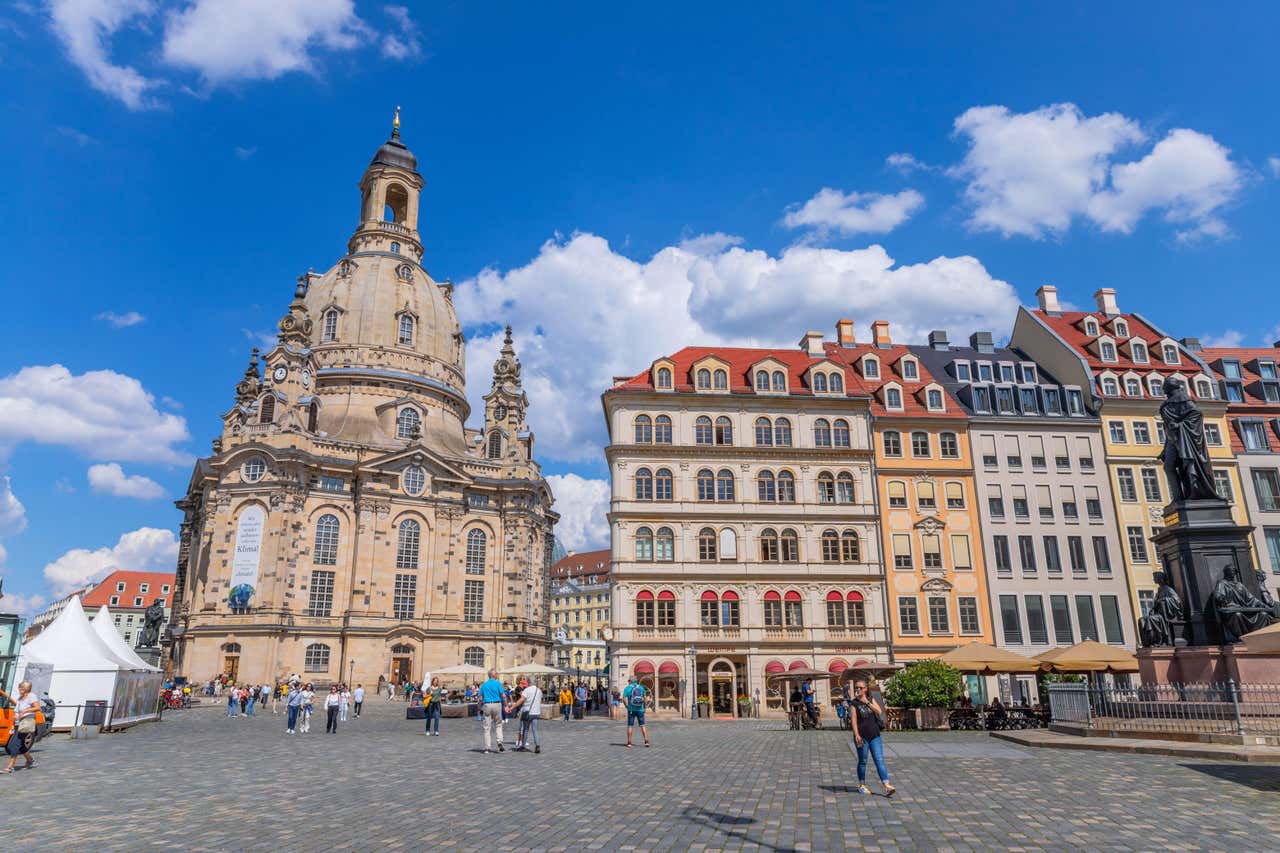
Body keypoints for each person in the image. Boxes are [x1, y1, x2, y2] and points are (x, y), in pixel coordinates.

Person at [850, 679, 894, 797]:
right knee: (863, 761)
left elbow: (879, 711)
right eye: (856, 687)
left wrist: (867, 702)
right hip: (862, 737)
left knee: (879, 760)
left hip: (875, 736)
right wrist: (856, 735)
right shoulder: (854, 703)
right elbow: (853, 721)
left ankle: (887, 785)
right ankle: (862, 785)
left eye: (860, 687)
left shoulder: (870, 699)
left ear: (865, 689)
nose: (857, 689)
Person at [3, 681, 39, 774]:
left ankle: (10, 767)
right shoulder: (19, 698)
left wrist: (26, 710)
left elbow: (37, 708)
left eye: (22, 687)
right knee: (18, 745)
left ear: (27, 688)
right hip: (18, 723)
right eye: (19, 687)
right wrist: (14, 721)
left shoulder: (31, 696)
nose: (20, 689)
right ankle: (30, 760)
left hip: (26, 723)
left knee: (15, 744)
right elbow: (17, 711)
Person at [507, 677, 543, 753]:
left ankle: (523, 746)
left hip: (527, 712)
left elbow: (520, 700)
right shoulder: (539, 690)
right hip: (536, 712)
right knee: (535, 730)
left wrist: (512, 707)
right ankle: (537, 746)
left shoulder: (527, 690)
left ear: (529, 682)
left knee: (525, 729)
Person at [478, 668, 506, 753]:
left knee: (487, 727)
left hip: (487, 705)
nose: (497, 675)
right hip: (497, 704)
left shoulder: (484, 685)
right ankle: (499, 742)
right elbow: (503, 696)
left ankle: (487, 747)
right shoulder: (498, 684)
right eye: (496, 673)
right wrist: (506, 705)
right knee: (498, 724)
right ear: (493, 675)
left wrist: (479, 708)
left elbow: (480, 698)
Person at [621, 676, 650, 748]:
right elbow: (645, 698)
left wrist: (626, 706)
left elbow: (624, 699)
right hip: (640, 709)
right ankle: (646, 741)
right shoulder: (641, 688)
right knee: (642, 725)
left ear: (630, 681)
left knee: (630, 725)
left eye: (629, 681)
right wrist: (645, 707)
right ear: (636, 681)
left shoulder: (627, 688)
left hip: (631, 709)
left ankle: (629, 742)